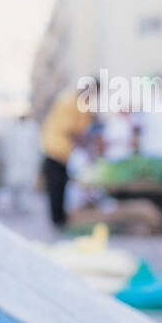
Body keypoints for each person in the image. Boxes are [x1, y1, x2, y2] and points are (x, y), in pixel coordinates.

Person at [39, 80, 95, 228]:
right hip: (55, 149)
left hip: (65, 152)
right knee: (56, 186)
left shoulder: (83, 103)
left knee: (62, 186)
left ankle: (60, 218)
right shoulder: (69, 101)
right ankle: (57, 220)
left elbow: (83, 128)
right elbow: (70, 130)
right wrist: (86, 145)